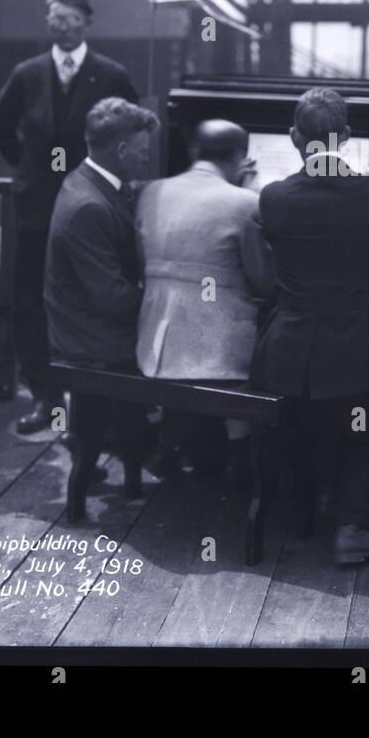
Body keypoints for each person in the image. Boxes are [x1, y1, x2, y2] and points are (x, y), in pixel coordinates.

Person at [252, 87, 369, 567]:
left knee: (310, 420)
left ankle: (305, 507)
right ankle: (351, 528)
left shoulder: (273, 197)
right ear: (346, 137)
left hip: (286, 352)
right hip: (354, 352)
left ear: (292, 137)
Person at [0, 0, 140, 434]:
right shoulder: (27, 73)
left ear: (87, 22)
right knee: (30, 299)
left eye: (71, 18)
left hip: (93, 206)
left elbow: (132, 134)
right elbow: (1, 129)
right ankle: (44, 396)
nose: (62, 25)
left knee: (94, 293)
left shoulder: (112, 75)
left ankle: (100, 401)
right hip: (37, 205)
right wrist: (29, 169)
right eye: (55, 18)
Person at [135, 119, 275, 486]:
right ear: (239, 158)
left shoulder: (152, 192)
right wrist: (245, 191)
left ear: (195, 151)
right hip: (217, 356)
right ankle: (243, 464)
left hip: (156, 346)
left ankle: (175, 450)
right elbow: (266, 282)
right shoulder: (247, 202)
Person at [45, 98, 158, 514]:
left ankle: (149, 451)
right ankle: (171, 456)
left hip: (88, 323)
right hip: (91, 339)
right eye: (143, 149)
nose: (148, 156)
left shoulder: (90, 182)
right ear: (123, 151)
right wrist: (163, 301)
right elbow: (113, 299)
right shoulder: (89, 206)